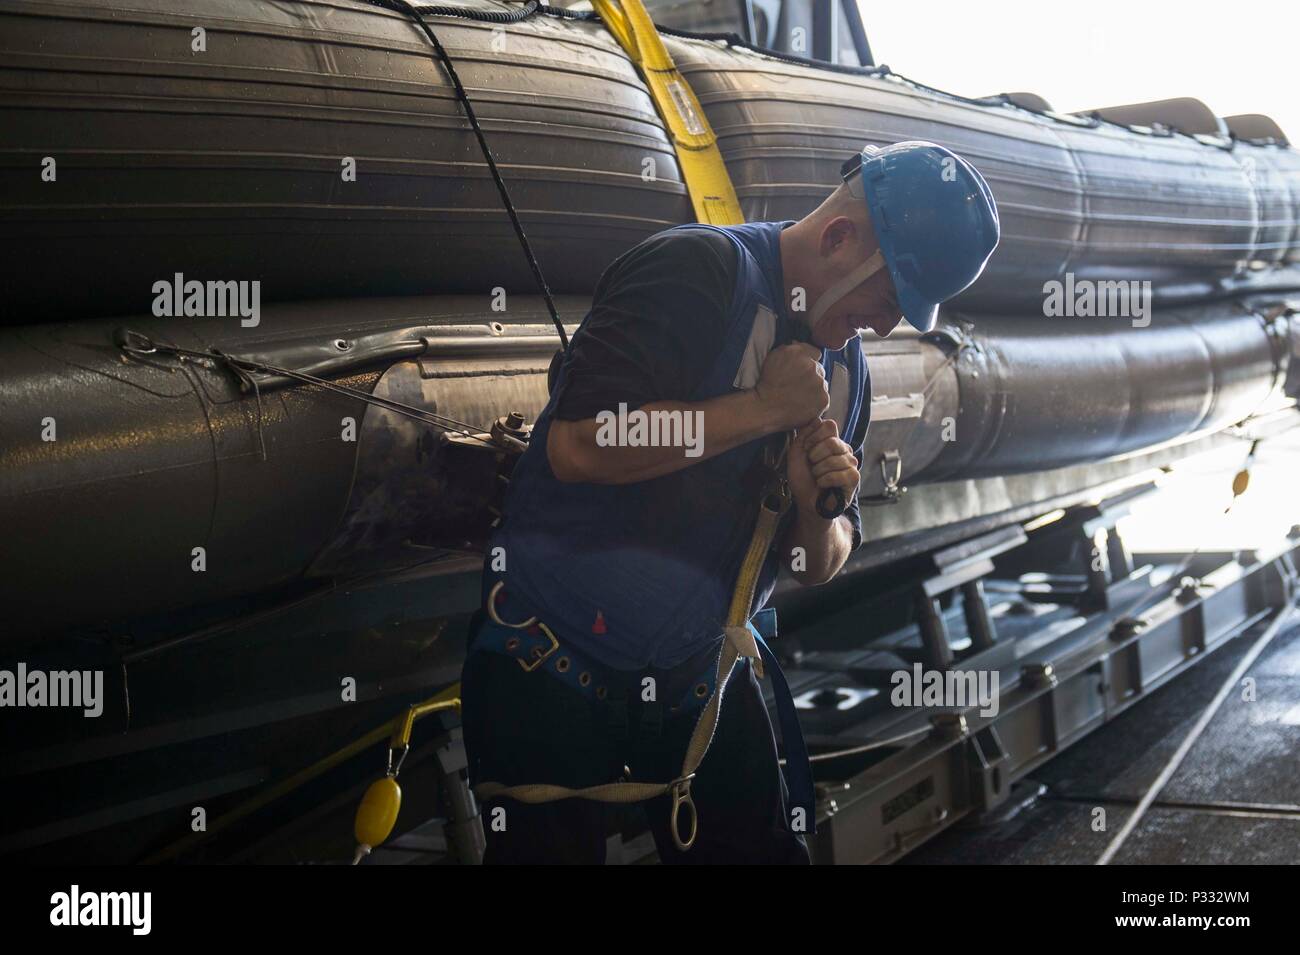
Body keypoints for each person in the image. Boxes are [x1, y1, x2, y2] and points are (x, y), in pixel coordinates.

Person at [460, 141, 1000, 864]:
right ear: (841, 240)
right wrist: (761, 411)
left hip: (699, 677)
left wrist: (815, 508)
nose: (883, 326)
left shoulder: (845, 370)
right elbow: (579, 446)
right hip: (547, 668)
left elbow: (820, 562)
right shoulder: (695, 274)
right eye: (886, 298)